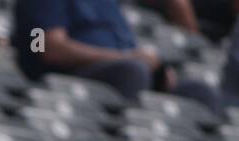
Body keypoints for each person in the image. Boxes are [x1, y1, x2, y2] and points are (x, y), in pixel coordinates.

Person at [14, 0, 219, 109]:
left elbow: (127, 47)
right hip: (70, 78)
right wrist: (126, 59)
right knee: (132, 70)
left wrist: (158, 70)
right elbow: (49, 49)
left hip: (123, 71)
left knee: (199, 90)